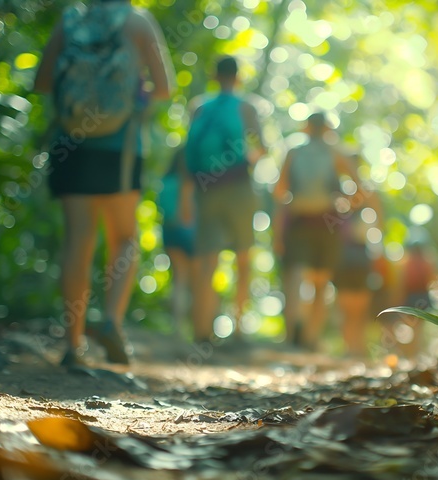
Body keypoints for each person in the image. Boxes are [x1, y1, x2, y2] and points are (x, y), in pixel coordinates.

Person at [34, 0, 174, 367]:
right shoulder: (138, 21)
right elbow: (164, 87)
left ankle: (73, 344)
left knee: (78, 238)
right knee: (125, 237)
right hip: (121, 146)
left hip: (72, 142)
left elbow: (42, 82)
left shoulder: (70, 20)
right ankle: (111, 321)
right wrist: (132, 95)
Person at [181, 56, 266, 342]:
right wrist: (245, 161)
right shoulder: (246, 107)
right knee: (243, 256)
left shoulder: (199, 107)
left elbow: (187, 155)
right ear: (238, 76)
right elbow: (262, 147)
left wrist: (186, 194)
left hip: (206, 189)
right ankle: (238, 327)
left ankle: (202, 328)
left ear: (214, 75)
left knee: (207, 258)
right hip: (239, 187)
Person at [272, 112, 357, 351]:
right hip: (327, 223)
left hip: (299, 221)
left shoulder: (294, 152)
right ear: (327, 128)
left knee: (294, 279)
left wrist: (277, 233)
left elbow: (279, 192)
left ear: (307, 127)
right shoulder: (336, 152)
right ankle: (310, 338)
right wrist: (344, 204)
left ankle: (291, 338)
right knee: (321, 283)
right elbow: (360, 187)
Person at [333, 160, 384, 358]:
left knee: (349, 310)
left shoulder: (341, 195)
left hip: (348, 259)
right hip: (358, 259)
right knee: (357, 311)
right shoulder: (367, 197)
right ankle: (355, 350)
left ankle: (353, 350)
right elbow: (379, 223)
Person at [158, 147, 195, 337]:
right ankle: (187, 326)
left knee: (178, 279)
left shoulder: (166, 182)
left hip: (169, 231)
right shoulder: (187, 182)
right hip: (187, 232)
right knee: (189, 280)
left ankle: (177, 325)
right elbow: (187, 212)